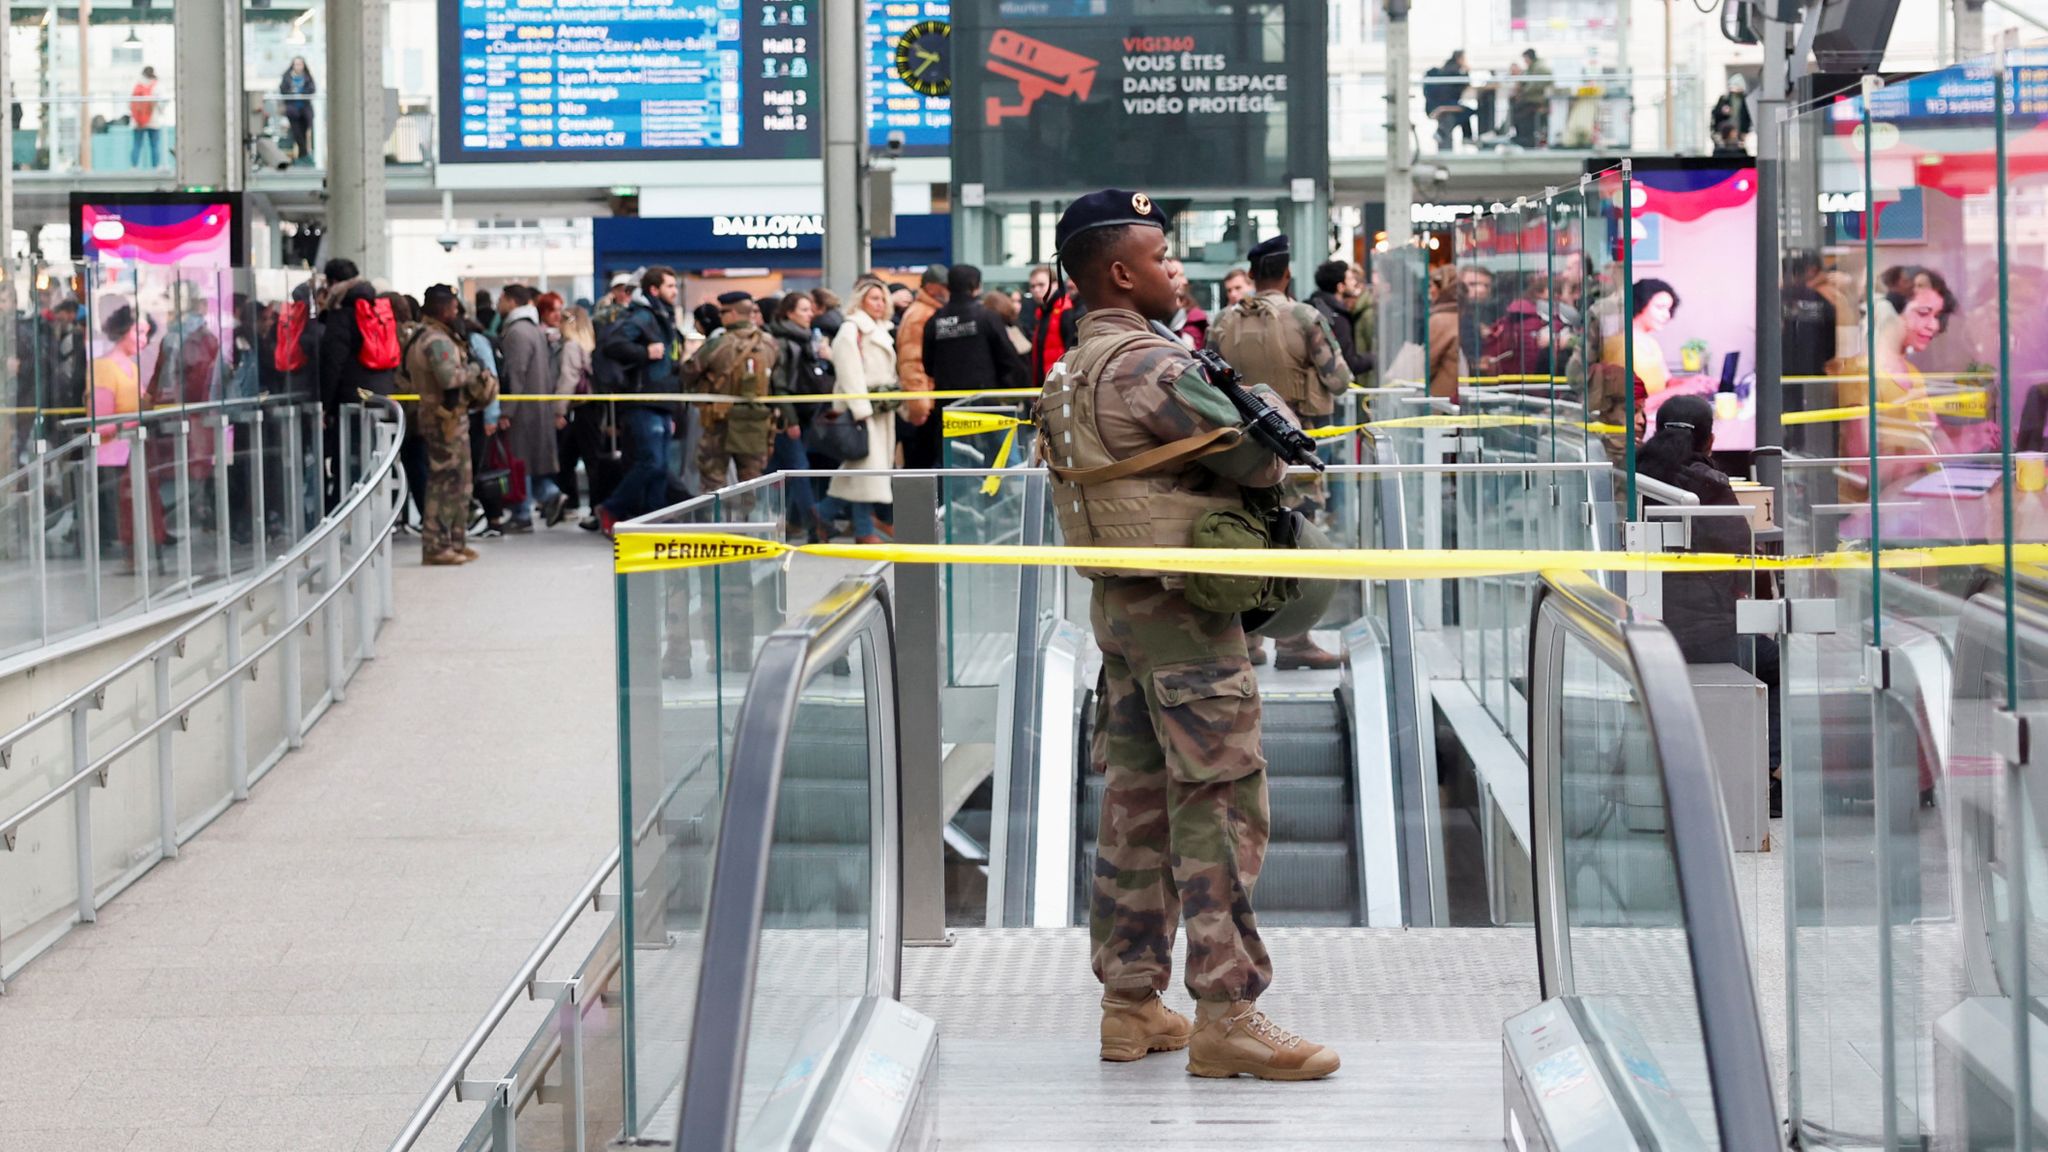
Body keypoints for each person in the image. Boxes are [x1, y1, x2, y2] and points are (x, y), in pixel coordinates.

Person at [1034, 189, 1338, 1081]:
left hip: (1123, 610)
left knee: (1132, 806)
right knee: (1219, 802)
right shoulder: (1153, 368)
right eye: (1162, 255)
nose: (1177, 270)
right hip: (1186, 617)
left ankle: (1129, 1005)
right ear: (1120, 272)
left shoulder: (1073, 367)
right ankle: (1228, 1011)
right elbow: (1255, 458)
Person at [1207, 235, 1351, 671]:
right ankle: (1295, 641)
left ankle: (1246, 641)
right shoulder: (1305, 316)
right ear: (1287, 274)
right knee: (1297, 537)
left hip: (1238, 451)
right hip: (1295, 449)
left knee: (1244, 537)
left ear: (1251, 275)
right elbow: (1339, 377)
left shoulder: (1222, 321)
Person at [1638, 393, 1781, 804]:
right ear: (1709, 441)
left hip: (1645, 630)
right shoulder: (1710, 486)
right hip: (1704, 638)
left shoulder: (1631, 477)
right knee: (1779, 663)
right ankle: (1766, 777)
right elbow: (1744, 563)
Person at [409, 285, 498, 565]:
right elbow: (449, 379)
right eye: (453, 306)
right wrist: (475, 370)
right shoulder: (435, 340)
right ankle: (436, 546)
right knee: (444, 483)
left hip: (452, 418)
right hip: (442, 418)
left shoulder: (440, 335)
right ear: (441, 307)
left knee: (461, 482)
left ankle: (456, 542)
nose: (457, 311)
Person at [591, 266, 683, 534]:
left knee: (660, 466)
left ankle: (654, 518)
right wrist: (644, 352)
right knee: (651, 462)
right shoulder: (643, 316)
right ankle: (612, 507)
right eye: (669, 286)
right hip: (644, 400)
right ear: (654, 290)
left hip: (661, 400)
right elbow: (613, 345)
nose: (674, 291)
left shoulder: (663, 317)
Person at [819, 279, 898, 543]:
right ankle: (860, 529)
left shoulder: (880, 329)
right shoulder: (851, 329)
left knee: (863, 472)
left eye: (883, 298)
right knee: (866, 471)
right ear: (861, 300)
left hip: (879, 410)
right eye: (874, 298)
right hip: (862, 411)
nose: (880, 303)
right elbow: (849, 371)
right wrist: (860, 408)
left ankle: (823, 515)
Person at [684, 291, 778, 495]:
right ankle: (748, 526)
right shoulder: (770, 343)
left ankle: (718, 525)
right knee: (751, 483)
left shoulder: (719, 344)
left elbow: (689, 371)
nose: (721, 317)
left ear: (733, 314)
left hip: (720, 423)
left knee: (713, 482)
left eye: (723, 312)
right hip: (756, 423)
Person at [495, 285, 567, 530]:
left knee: (519, 460)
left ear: (511, 301)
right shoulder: (533, 330)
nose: (498, 304)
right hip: (537, 406)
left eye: (502, 299)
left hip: (523, 409)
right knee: (528, 462)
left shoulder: (517, 332)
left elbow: (515, 374)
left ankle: (523, 511)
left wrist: (507, 411)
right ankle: (549, 494)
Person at [923, 264, 1025, 419]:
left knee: (950, 444)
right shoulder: (987, 317)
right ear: (976, 286)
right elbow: (1008, 358)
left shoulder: (934, 320)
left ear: (949, 286)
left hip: (948, 405)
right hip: (984, 403)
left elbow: (928, 366)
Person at [767, 292, 829, 540]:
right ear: (788, 313)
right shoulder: (783, 342)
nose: (809, 314)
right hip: (788, 418)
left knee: (784, 469)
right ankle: (816, 527)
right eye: (803, 310)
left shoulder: (806, 340)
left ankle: (791, 522)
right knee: (799, 469)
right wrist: (789, 419)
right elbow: (779, 385)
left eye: (810, 309)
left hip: (804, 415)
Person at [554, 307, 617, 517]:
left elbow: (568, 379)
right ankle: (577, 502)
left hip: (581, 407)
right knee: (577, 456)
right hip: (594, 406)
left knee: (581, 458)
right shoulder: (591, 344)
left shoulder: (571, 346)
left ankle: (591, 507)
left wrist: (559, 409)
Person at [896, 264, 948, 465]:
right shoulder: (921, 315)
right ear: (932, 287)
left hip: (927, 399)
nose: (947, 290)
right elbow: (912, 363)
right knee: (923, 462)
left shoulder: (926, 311)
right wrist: (919, 406)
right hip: (926, 404)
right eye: (944, 286)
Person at [1307, 260, 1372, 381]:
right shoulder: (1337, 318)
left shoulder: (1311, 307)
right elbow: (1348, 364)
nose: (1354, 282)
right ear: (1340, 287)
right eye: (1350, 279)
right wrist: (1376, 357)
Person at [1623, 278, 1679, 395]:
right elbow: (1634, 405)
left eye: (1668, 309)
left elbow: (1667, 381)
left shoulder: (1651, 343)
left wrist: (1694, 383)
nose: (1667, 315)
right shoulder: (1622, 344)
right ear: (1640, 304)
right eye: (1659, 307)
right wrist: (1682, 389)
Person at [1427, 264, 1464, 399]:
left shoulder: (1441, 319)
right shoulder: (1461, 313)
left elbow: (1428, 363)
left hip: (1441, 398)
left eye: (1431, 286)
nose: (1429, 292)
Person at [1424, 50, 1473, 151]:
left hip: (1433, 105)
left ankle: (1441, 132)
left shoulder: (1444, 69)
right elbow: (1462, 86)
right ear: (1460, 59)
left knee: (1462, 113)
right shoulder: (1455, 71)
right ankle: (1466, 136)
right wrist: (1467, 72)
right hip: (1444, 105)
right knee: (1469, 111)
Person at [1510, 48, 1549, 148]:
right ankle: (1522, 136)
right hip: (1531, 99)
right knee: (1517, 108)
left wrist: (1522, 93)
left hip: (1537, 101)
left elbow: (1533, 85)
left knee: (1521, 112)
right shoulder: (1533, 67)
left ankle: (1526, 138)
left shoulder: (1540, 68)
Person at [280, 56, 316, 164]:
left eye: (300, 64)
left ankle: (303, 156)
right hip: (293, 111)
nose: (298, 66)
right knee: (297, 134)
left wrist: (301, 93)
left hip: (304, 111)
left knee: (305, 133)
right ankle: (303, 156)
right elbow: (283, 90)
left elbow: (312, 89)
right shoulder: (287, 77)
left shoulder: (307, 78)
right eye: (296, 64)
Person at [984, 290, 1033, 357]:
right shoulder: (1002, 326)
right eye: (1012, 301)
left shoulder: (1020, 325)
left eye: (1019, 301)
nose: (1016, 305)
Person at [130, 67, 162, 169]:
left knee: (137, 144)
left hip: (137, 122)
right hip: (153, 121)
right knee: (154, 145)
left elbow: (130, 104)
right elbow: (161, 104)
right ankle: (155, 167)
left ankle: (134, 166)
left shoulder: (136, 84)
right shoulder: (156, 85)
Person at [1712, 75, 1754, 147]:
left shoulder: (1746, 100)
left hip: (1740, 133)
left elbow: (1749, 117)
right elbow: (1715, 113)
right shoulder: (1724, 99)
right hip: (1726, 133)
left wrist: (1745, 132)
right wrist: (1723, 111)